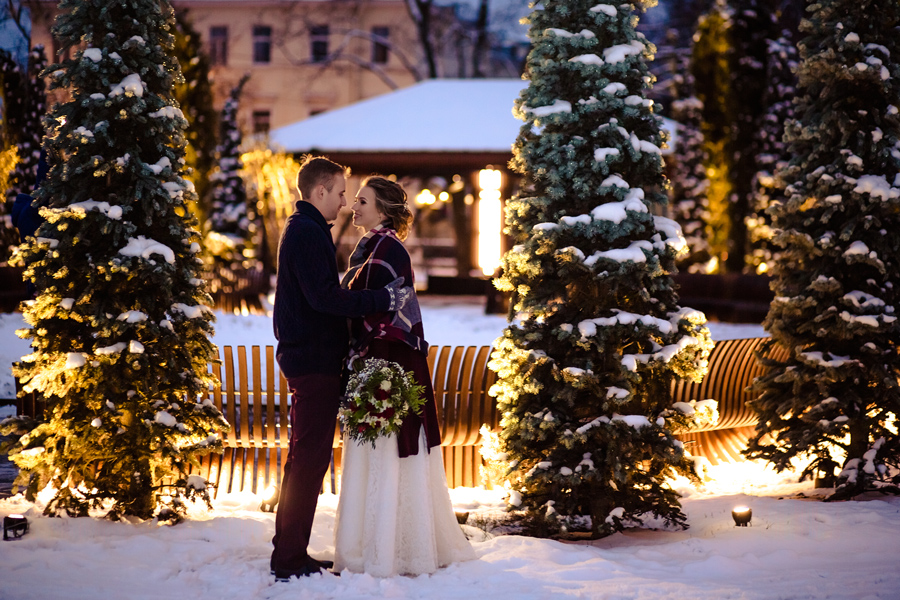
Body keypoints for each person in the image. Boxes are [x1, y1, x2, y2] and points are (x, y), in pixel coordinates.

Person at [270, 157, 412, 581]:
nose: (345, 202)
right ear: (319, 192)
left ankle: (291, 551)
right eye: (340, 192)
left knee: (305, 460)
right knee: (309, 461)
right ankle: (289, 558)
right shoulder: (308, 233)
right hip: (312, 362)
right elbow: (324, 298)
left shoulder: (308, 231)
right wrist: (381, 301)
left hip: (311, 358)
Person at [333, 176, 476, 577]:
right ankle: (376, 542)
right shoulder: (373, 248)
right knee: (375, 454)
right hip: (376, 360)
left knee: (387, 452)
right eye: (355, 200)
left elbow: (385, 314)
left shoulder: (387, 249)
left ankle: (393, 547)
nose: (354, 207)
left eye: (363, 201)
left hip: (388, 363)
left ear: (383, 210)